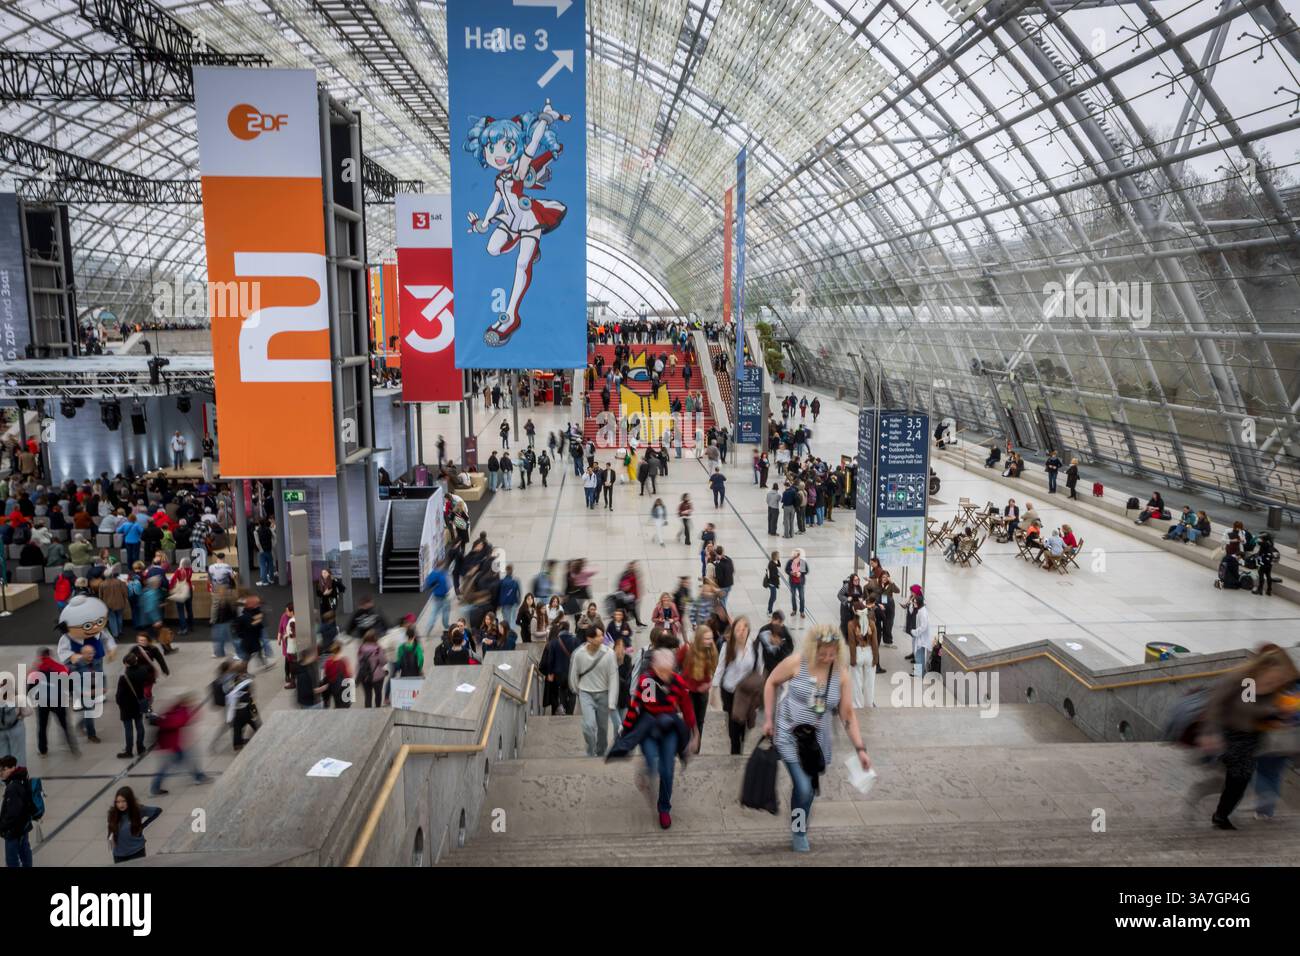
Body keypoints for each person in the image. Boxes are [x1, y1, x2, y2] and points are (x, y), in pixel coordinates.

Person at [764, 625, 871, 852]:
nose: (827, 657)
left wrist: (860, 748)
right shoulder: (797, 662)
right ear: (813, 649)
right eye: (823, 652)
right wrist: (768, 719)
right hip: (788, 733)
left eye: (832, 653)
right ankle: (799, 831)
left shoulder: (841, 674)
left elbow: (847, 713)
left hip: (816, 742)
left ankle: (799, 825)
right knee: (803, 788)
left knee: (808, 790)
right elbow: (771, 682)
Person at [1202, 645, 1300, 828]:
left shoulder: (1272, 683)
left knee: (1240, 779)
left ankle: (1222, 812)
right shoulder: (1248, 680)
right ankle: (1221, 814)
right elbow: (1246, 708)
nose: (1277, 682)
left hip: (1252, 735)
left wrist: (1278, 715)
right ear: (1264, 668)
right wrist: (1275, 711)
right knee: (1239, 777)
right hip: (1235, 732)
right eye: (1274, 677)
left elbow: (1259, 709)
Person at [610, 648, 698, 830]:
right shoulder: (647, 681)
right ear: (654, 668)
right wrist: (625, 729)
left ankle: (664, 808)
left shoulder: (678, 682)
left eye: (668, 671)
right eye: (661, 670)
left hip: (669, 727)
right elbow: (635, 707)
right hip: (648, 727)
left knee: (667, 771)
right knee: (652, 762)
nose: (664, 674)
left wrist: (694, 734)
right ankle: (646, 770)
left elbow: (687, 708)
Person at [713, 617, 763, 755]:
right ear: (733, 631)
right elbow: (720, 668)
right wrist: (714, 689)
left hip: (746, 692)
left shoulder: (753, 647)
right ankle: (735, 751)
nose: (741, 631)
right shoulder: (727, 647)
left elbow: (758, 668)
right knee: (733, 722)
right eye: (738, 628)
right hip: (730, 691)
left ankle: (739, 739)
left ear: (748, 630)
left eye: (744, 628)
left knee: (744, 722)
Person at [569, 625, 618, 757]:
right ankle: (590, 750)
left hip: (603, 694)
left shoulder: (609, 653)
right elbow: (574, 674)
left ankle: (601, 752)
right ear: (589, 639)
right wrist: (577, 690)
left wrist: (612, 701)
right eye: (599, 636)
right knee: (589, 726)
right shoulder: (579, 654)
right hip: (586, 693)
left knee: (603, 728)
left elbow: (613, 677)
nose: (602, 638)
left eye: (602, 635)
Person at [149, 692, 208, 795]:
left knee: (187, 758)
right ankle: (155, 788)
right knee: (167, 766)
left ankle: (199, 776)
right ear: (187, 702)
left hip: (173, 743)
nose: (193, 703)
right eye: (192, 701)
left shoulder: (175, 708)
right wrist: (189, 715)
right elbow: (178, 722)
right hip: (172, 744)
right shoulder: (180, 712)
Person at [28, 648, 78, 758]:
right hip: (58, 701)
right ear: (50, 655)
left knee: (42, 726)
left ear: (40, 656)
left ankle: (43, 751)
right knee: (65, 725)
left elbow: (30, 687)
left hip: (43, 702)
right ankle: (73, 747)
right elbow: (69, 684)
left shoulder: (36, 670)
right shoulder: (60, 667)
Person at [676, 625, 717, 746]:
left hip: (702, 692)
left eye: (710, 638)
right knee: (690, 720)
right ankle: (687, 744)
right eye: (706, 639)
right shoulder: (687, 649)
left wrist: (709, 684)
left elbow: (716, 670)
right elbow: (676, 664)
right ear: (699, 638)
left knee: (700, 721)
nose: (709, 642)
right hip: (688, 692)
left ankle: (696, 747)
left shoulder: (711, 651)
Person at [107, 786, 162, 863]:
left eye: (124, 801)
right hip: (119, 854)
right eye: (118, 802)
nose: (120, 805)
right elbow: (111, 830)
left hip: (136, 851)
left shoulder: (138, 810)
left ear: (129, 801)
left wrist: (143, 826)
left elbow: (157, 811)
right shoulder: (112, 813)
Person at [0, 756, 37, 867]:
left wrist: (2, 826)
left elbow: (13, 813)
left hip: (13, 831)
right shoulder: (22, 779)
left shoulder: (12, 787)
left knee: (11, 859)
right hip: (23, 826)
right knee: (25, 852)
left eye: (3, 769)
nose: (0, 773)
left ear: (12, 768)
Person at [539, 623, 579, 715]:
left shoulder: (551, 644)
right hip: (571, 673)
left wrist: (550, 673)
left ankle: (560, 711)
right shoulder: (574, 640)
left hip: (556, 676)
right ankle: (569, 714)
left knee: (560, 693)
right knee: (572, 693)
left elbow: (548, 661)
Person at [903, 585, 930, 676]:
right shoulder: (920, 610)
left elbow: (923, 626)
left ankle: (919, 673)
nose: (913, 604)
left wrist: (915, 632)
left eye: (914, 603)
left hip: (921, 637)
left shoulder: (922, 612)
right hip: (920, 637)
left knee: (919, 656)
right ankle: (920, 671)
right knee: (920, 655)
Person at [785, 548, 809, 619]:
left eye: (796, 557)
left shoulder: (802, 562)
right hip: (793, 582)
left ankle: (802, 611)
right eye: (793, 557)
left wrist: (800, 573)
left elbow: (806, 571)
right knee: (793, 597)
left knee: (802, 597)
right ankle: (794, 610)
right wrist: (791, 573)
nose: (794, 558)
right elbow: (786, 569)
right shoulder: (790, 562)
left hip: (800, 583)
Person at [763, 550, 782, 615]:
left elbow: (779, 565)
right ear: (775, 557)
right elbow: (773, 575)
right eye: (778, 556)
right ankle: (769, 611)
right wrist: (777, 576)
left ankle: (769, 610)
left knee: (773, 597)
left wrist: (778, 560)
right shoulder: (772, 565)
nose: (779, 556)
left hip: (773, 583)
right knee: (773, 597)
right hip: (772, 583)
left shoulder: (772, 562)